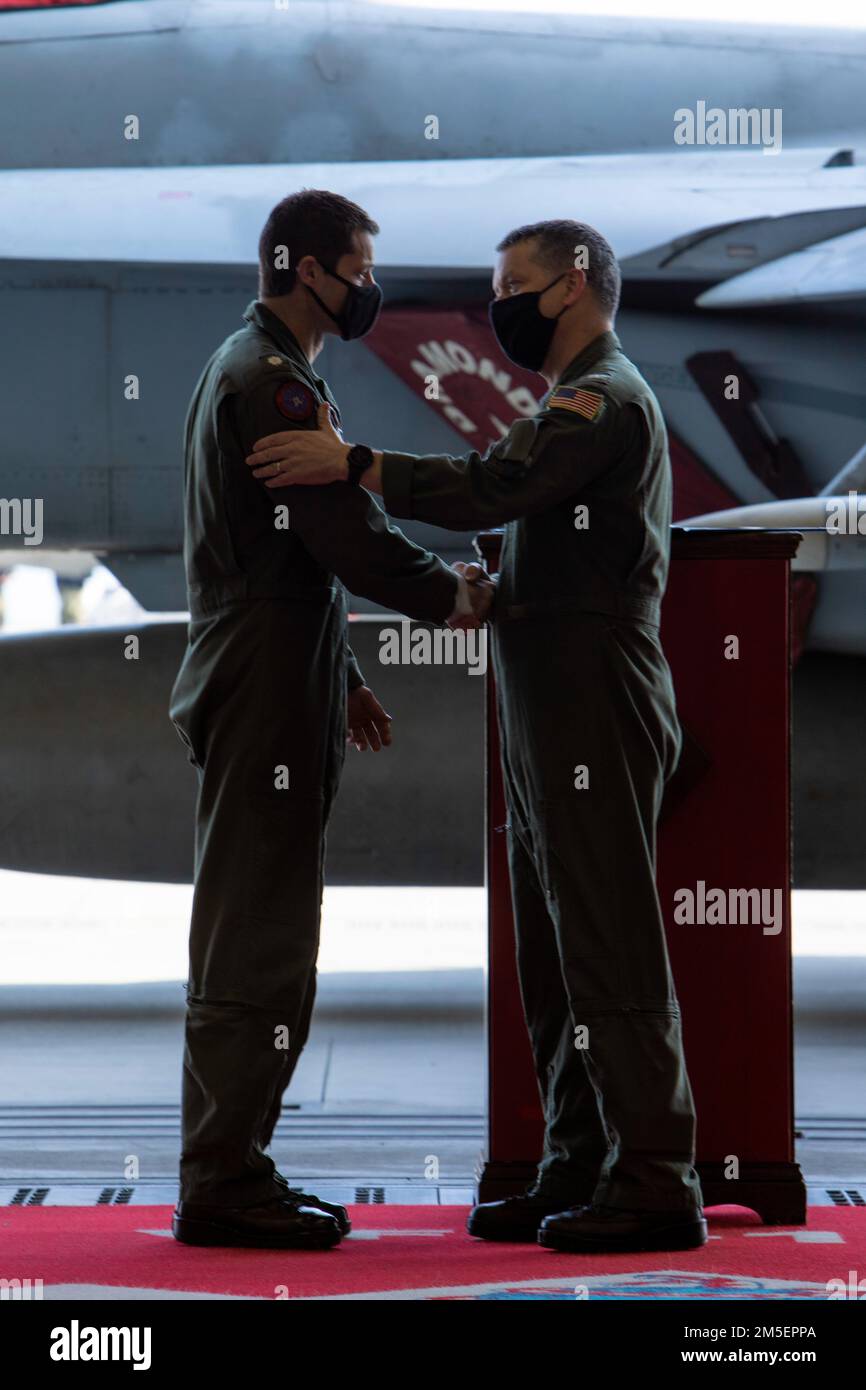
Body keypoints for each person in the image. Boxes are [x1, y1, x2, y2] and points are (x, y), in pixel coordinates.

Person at [244, 218, 707, 1255]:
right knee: (552, 950)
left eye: (514, 286)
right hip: (549, 691)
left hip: (591, 693)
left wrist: (352, 461)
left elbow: (497, 484)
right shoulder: (570, 399)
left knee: (607, 941)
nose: (499, 304)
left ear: (573, 286)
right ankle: (579, 1165)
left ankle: (654, 1179)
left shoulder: (601, 399)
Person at [168, 189, 493, 1251]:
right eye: (354, 266)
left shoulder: (262, 365)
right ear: (304, 268)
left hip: (278, 662)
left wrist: (343, 672)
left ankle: (237, 1163)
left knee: (261, 916)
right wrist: (449, 596)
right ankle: (223, 1182)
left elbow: (293, 555)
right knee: (258, 928)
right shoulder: (271, 384)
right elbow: (337, 533)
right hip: (262, 674)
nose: (366, 286)